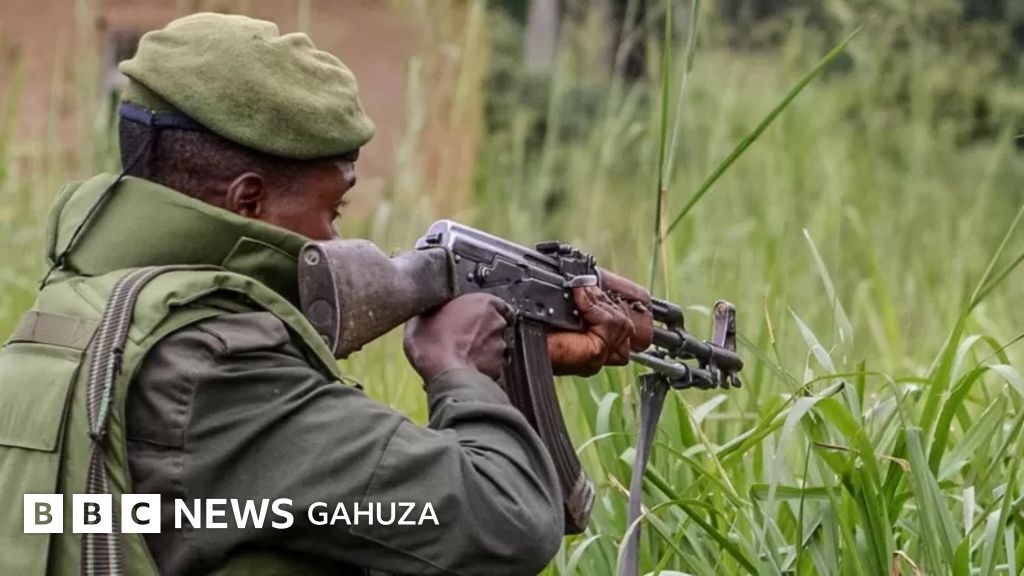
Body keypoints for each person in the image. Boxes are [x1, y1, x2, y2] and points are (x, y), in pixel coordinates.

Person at [0, 12, 649, 576]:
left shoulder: (71, 315)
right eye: (332, 209)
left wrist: (516, 358)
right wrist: (461, 371)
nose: (336, 236)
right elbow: (505, 524)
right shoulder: (218, 367)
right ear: (248, 200)